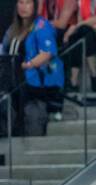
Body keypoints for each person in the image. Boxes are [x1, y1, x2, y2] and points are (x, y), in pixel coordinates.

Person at [0, 0, 64, 136]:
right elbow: (3, 51)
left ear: (34, 6)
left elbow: (47, 53)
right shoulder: (13, 28)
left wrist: (27, 65)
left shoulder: (42, 25)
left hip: (36, 80)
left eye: (28, 3)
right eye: (21, 3)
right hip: (13, 79)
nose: (23, 7)